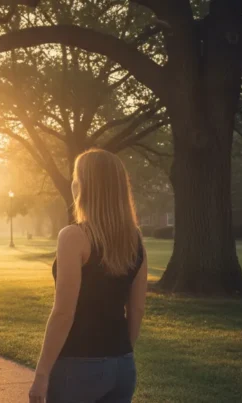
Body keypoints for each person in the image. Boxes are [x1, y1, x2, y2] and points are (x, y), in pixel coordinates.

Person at [29, 149, 148, 403]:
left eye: (76, 177)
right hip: (122, 366)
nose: (73, 183)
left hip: (77, 367)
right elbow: (137, 308)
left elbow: (63, 312)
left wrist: (41, 375)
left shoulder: (73, 236)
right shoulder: (135, 239)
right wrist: (120, 353)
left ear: (85, 186)